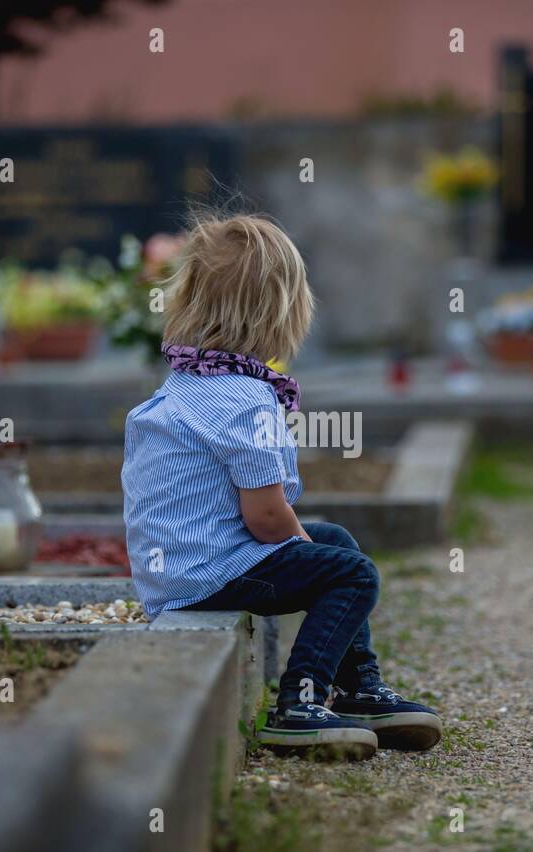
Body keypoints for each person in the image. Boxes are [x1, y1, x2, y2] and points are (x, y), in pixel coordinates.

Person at [121, 213, 442, 759]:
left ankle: (359, 688)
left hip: (176, 567)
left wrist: (308, 548)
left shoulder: (184, 383)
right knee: (353, 573)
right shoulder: (249, 399)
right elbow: (266, 520)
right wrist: (301, 549)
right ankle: (300, 701)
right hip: (211, 572)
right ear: (281, 314)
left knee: (335, 542)